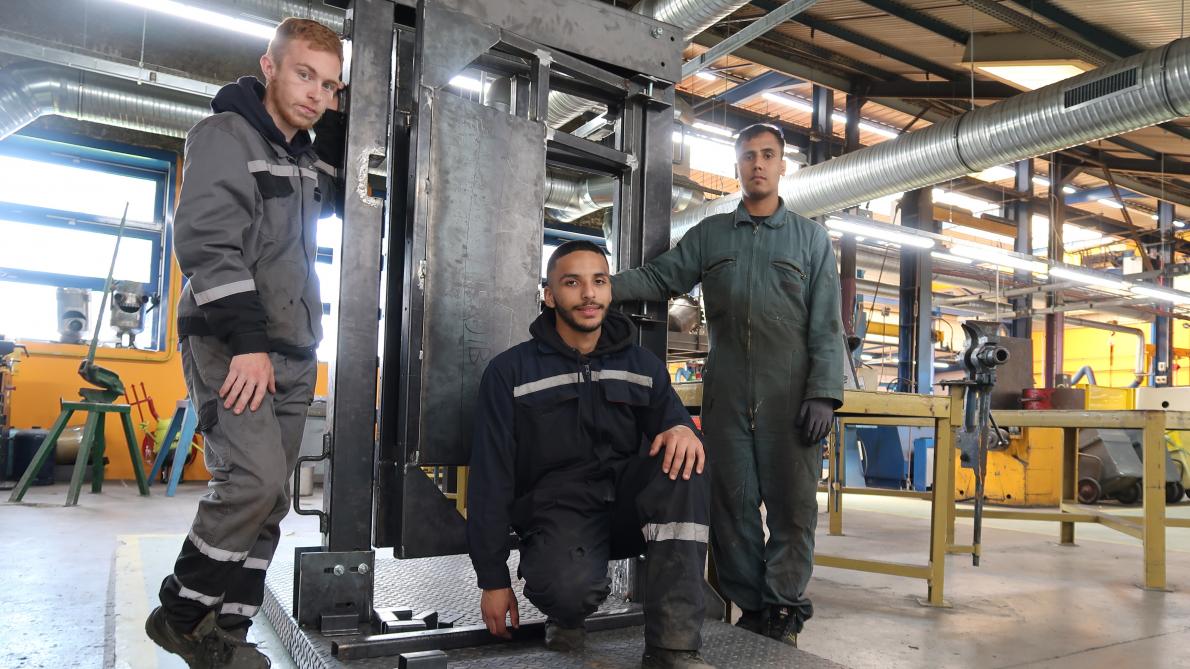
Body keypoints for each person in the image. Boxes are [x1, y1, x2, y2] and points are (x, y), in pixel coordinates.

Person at [145, 18, 345, 668]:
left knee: (272, 500)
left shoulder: (302, 158)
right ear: (269, 66)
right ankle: (179, 613)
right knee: (252, 482)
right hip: (234, 343)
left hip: (291, 348)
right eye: (304, 75)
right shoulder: (225, 135)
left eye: (330, 85)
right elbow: (208, 243)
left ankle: (223, 636)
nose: (316, 94)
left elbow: (327, 209)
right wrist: (250, 343)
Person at [611, 123, 845, 646]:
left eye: (767, 156)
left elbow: (827, 324)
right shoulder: (712, 236)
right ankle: (755, 607)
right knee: (730, 506)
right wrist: (602, 288)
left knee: (794, 507)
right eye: (747, 157)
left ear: (784, 166)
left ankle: (784, 607)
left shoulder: (810, 239)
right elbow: (660, 277)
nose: (757, 165)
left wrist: (824, 393)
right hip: (728, 396)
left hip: (793, 397)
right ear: (736, 167)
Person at [467, 241, 716, 669]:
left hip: (625, 507)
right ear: (549, 295)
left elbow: (672, 422)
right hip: (557, 512)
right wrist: (492, 578)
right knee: (567, 589)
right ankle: (566, 615)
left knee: (687, 462)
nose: (588, 294)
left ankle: (672, 648)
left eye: (599, 281)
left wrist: (681, 428)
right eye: (572, 283)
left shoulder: (643, 365)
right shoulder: (511, 372)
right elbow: (491, 477)